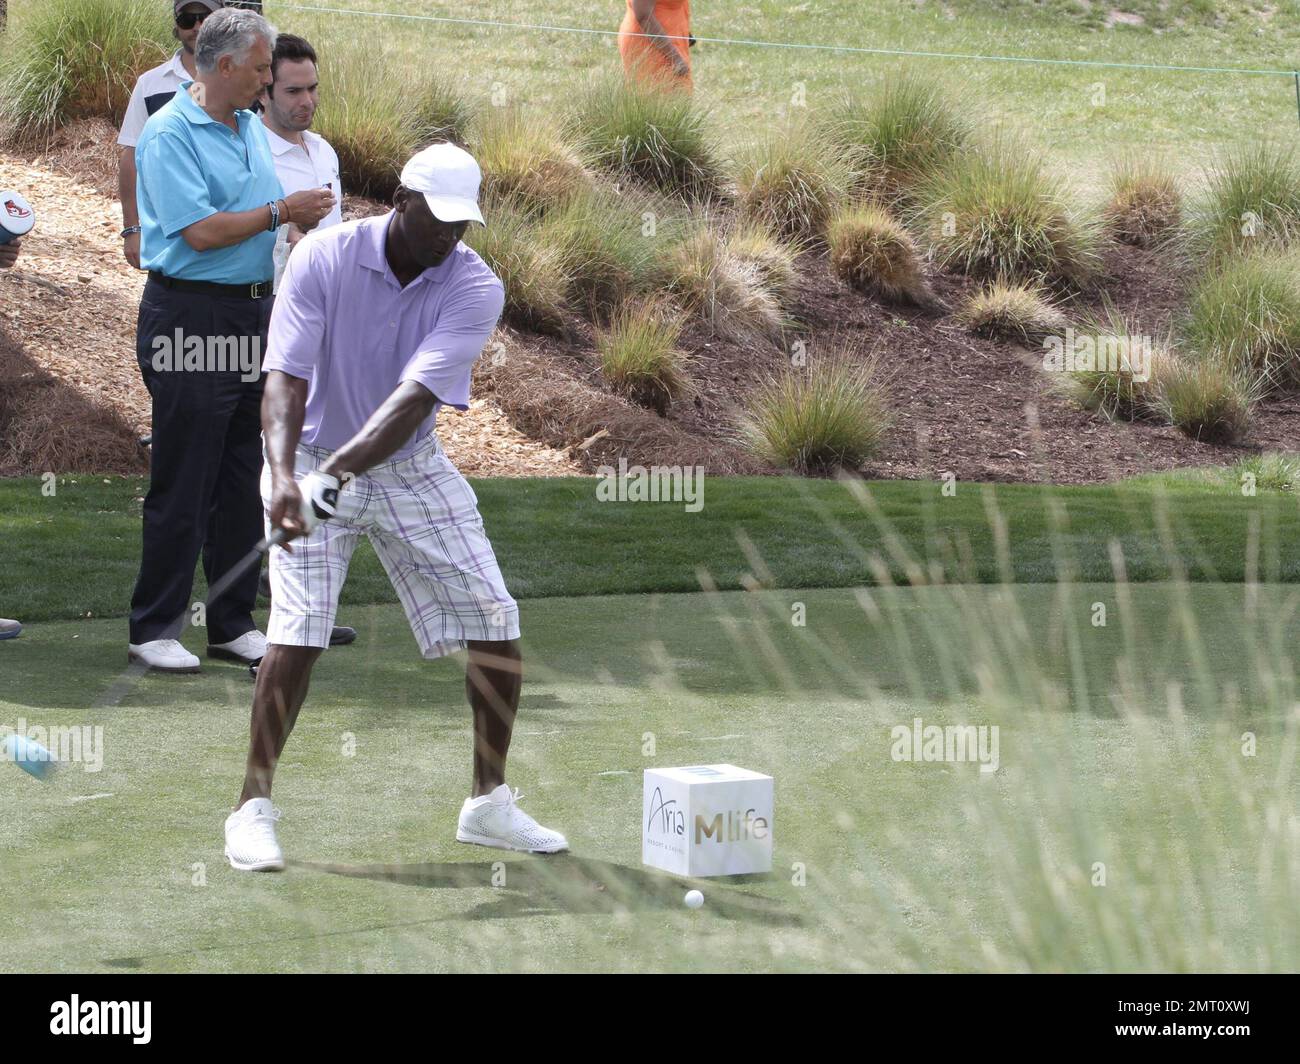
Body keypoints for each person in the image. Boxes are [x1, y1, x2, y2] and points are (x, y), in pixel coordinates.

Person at [222, 143, 567, 871]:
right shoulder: (324, 257)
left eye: (462, 224)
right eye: (438, 219)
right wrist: (287, 477)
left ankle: (488, 805)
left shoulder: (475, 287)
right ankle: (251, 808)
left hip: (409, 467)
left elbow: (414, 401)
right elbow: (284, 377)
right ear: (402, 201)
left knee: (494, 619)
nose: (450, 236)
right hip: (310, 457)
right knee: (298, 629)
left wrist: (337, 477)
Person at [128, 6, 335, 673]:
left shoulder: (247, 124)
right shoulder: (169, 133)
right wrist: (282, 212)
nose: (265, 81)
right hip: (190, 316)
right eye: (257, 69)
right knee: (186, 474)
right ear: (224, 66)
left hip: (253, 315)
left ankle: (230, 622)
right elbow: (202, 233)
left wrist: (293, 231)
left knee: (243, 473)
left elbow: (251, 222)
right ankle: (154, 626)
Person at [255, 31, 355, 648]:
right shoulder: (248, 149)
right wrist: (286, 227)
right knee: (264, 459)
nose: (306, 101)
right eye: (294, 90)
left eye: (313, 88)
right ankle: (266, 614)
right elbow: (235, 236)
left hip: (319, 325)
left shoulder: (324, 153)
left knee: (310, 457)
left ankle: (303, 608)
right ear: (266, 89)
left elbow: (337, 246)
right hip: (261, 315)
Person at [118, 2, 224, 270]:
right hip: (168, 231)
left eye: (206, 18)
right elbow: (131, 155)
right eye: (188, 19)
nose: (197, 26)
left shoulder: (245, 83)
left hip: (231, 227)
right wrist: (131, 228)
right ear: (176, 24)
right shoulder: (150, 84)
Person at [619, 0, 694, 90]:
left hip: (668, 41)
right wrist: (675, 58)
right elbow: (644, 16)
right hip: (652, 44)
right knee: (662, 96)